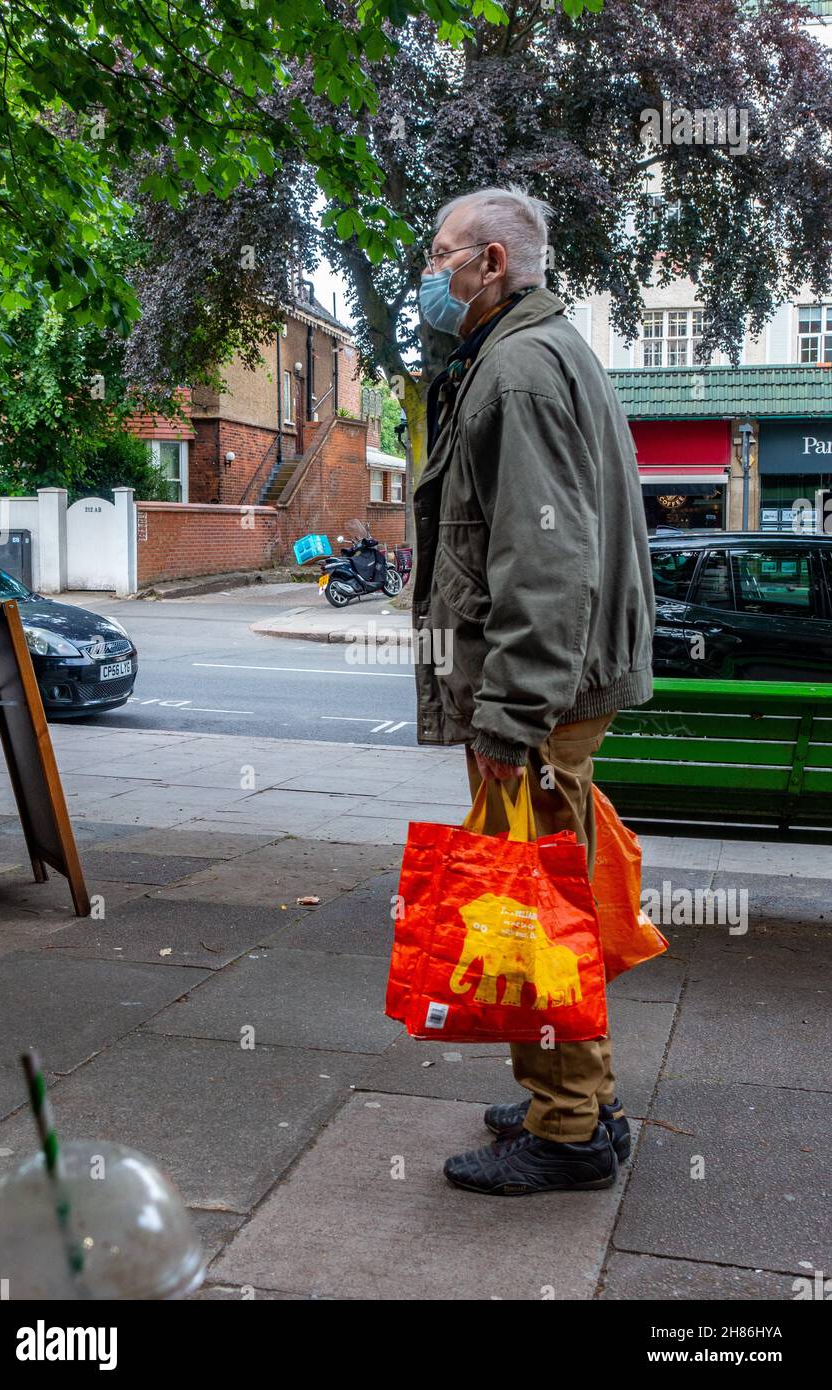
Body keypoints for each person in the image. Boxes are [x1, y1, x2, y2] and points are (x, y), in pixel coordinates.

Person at [413, 185, 656, 1196]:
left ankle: (565, 1128)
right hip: (550, 685)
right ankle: (576, 1099)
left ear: (491, 265)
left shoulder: (515, 367)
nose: (427, 270)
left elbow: (542, 563)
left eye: (439, 253)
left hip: (535, 695)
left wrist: (508, 716)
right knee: (539, 897)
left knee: (527, 910)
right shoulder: (527, 353)